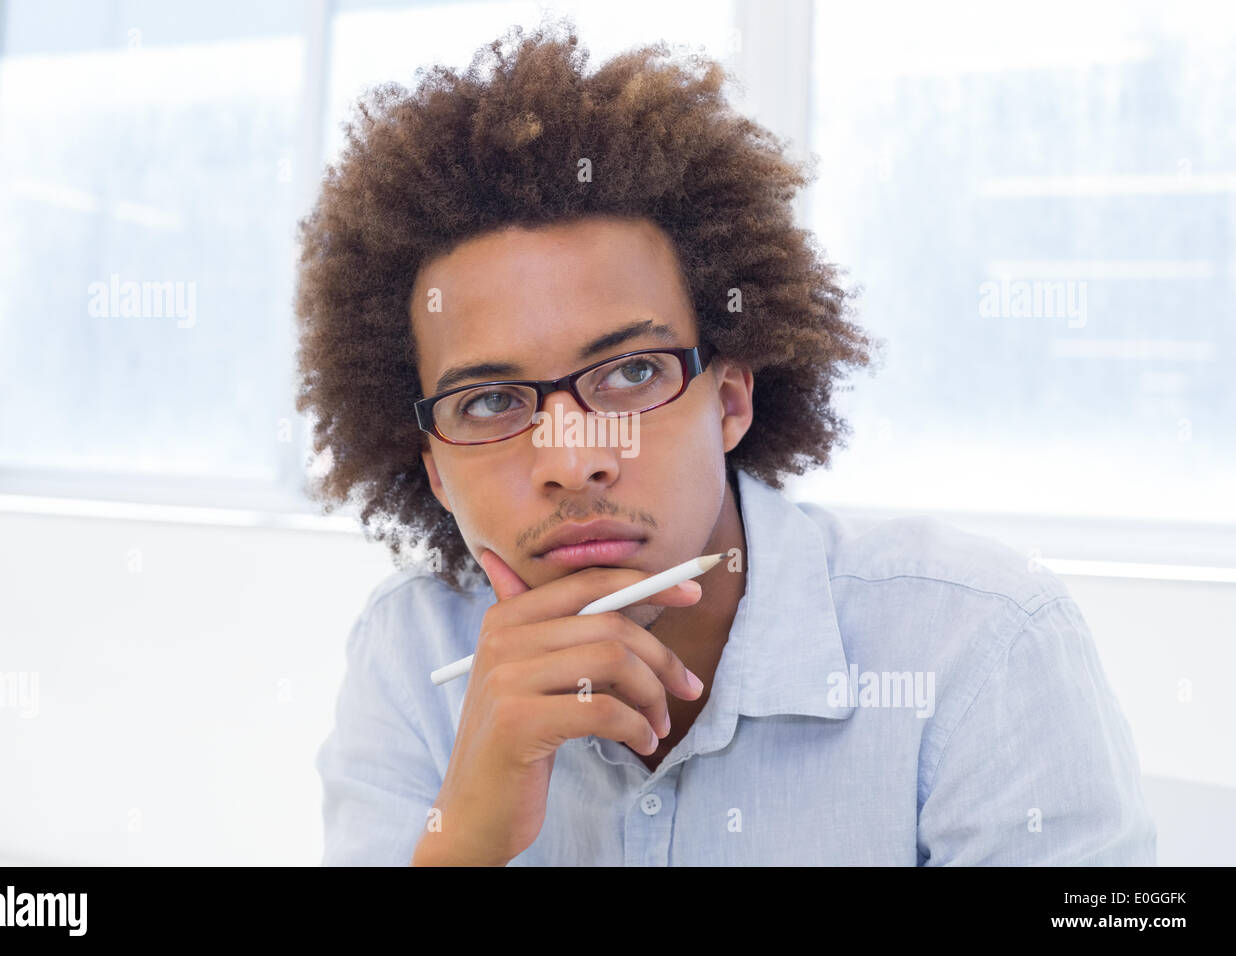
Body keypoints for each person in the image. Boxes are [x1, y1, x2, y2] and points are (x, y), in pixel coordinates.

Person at [295, 19, 1155, 866]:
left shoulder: (979, 642)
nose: (571, 460)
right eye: (488, 400)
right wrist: (470, 832)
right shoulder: (413, 655)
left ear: (731, 401)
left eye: (630, 374)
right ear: (436, 471)